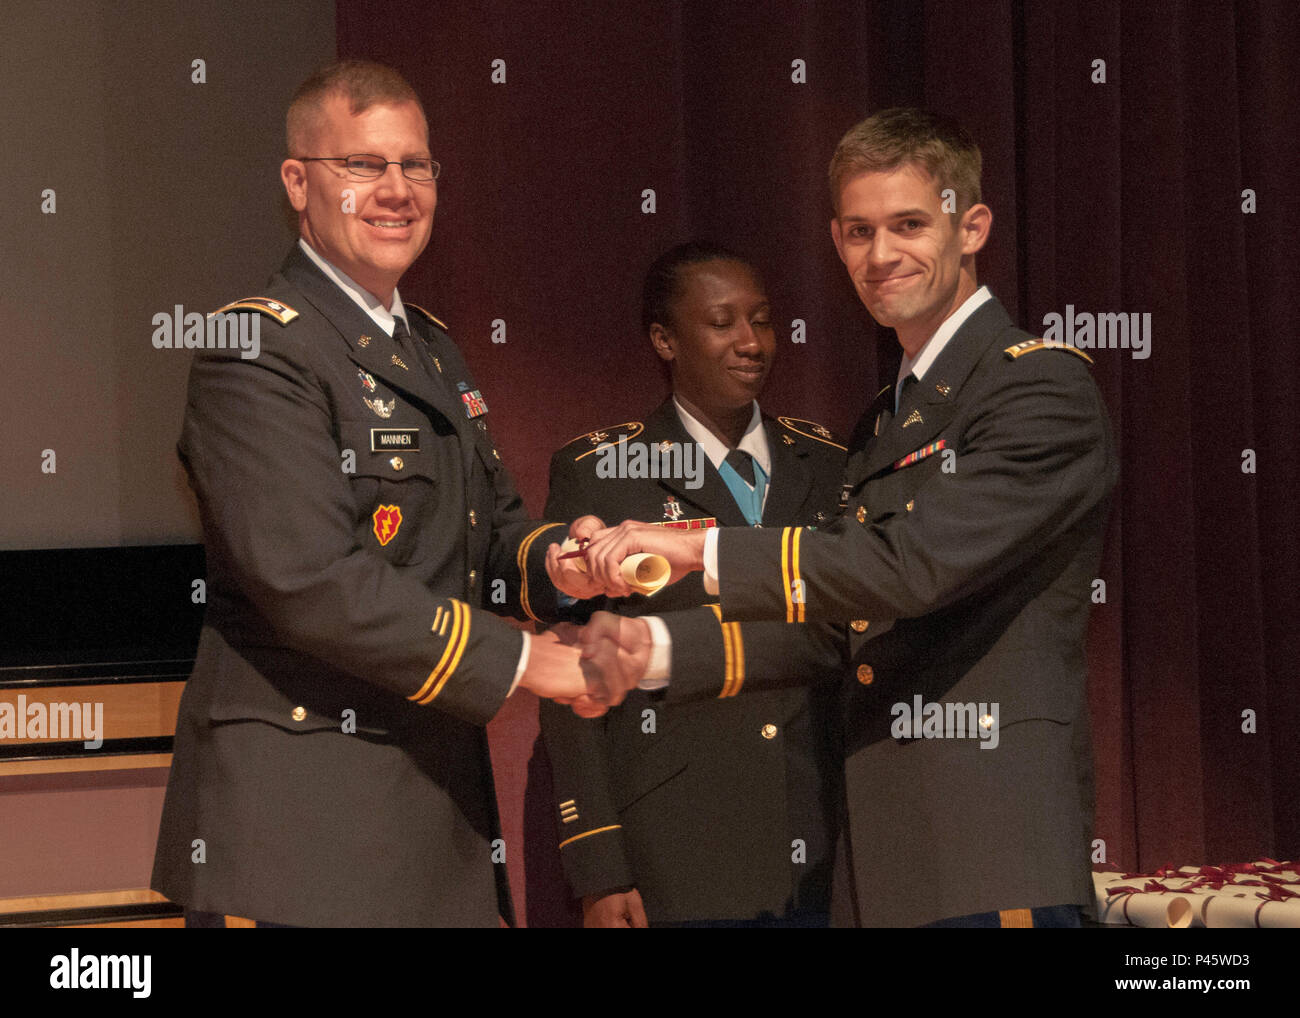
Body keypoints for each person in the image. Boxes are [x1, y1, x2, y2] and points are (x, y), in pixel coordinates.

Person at [571, 108, 1119, 928]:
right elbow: (841, 628)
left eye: (908, 224)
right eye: (859, 231)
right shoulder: (883, 420)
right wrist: (648, 650)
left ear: (971, 226)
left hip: (989, 855)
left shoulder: (1036, 390)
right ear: (835, 241)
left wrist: (695, 550)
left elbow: (908, 568)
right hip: (881, 864)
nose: (882, 254)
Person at [151, 60, 592, 928]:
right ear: (298, 183)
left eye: (416, 165)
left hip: (430, 811)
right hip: (311, 826)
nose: (397, 190)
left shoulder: (426, 344)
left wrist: (565, 567)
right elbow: (311, 582)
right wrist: (523, 662)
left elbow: (488, 536)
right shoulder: (256, 349)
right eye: (363, 165)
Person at [538, 243, 844, 927]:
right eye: (723, 322)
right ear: (665, 339)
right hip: (678, 842)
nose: (750, 342)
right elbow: (572, 674)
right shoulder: (602, 471)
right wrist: (599, 863)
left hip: (825, 833)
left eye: (762, 321)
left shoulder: (827, 461)